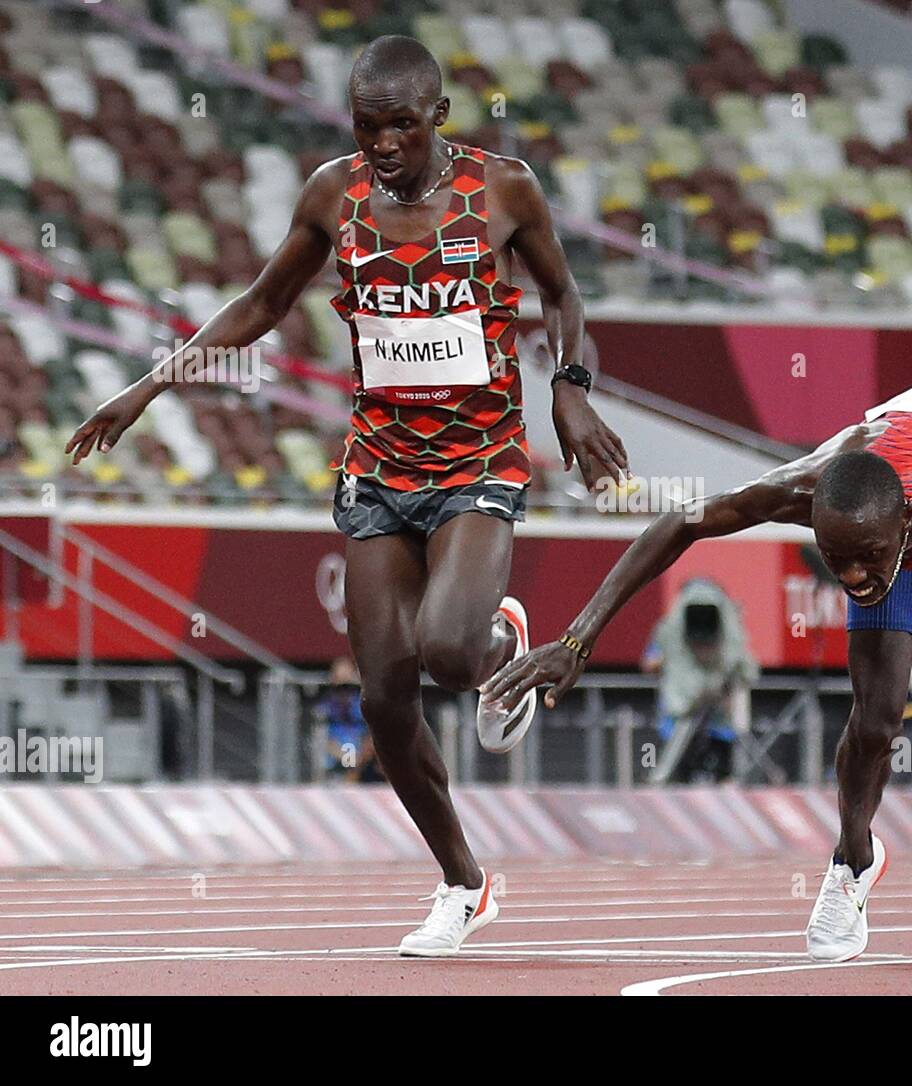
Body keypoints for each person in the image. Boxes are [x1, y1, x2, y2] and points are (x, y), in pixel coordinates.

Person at [65, 36, 627, 956]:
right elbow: (260, 302)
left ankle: (497, 642)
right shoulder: (336, 195)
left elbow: (565, 297)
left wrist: (568, 389)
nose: (385, 144)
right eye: (368, 127)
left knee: (448, 654)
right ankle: (463, 884)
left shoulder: (506, 189)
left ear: (440, 118)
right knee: (383, 699)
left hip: (479, 457)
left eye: (403, 125)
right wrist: (148, 385)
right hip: (377, 466)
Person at [485, 306, 912, 963]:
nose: (854, 577)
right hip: (893, 449)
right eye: (837, 559)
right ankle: (851, 860)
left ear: (900, 528)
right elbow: (680, 523)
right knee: (874, 721)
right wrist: (576, 639)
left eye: (866, 556)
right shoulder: (808, 488)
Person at [641, 579, 758, 783]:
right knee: (678, 778)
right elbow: (649, 664)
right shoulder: (671, 631)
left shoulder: (727, 632)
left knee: (723, 777)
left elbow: (744, 669)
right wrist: (673, 661)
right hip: (679, 717)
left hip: (718, 720)